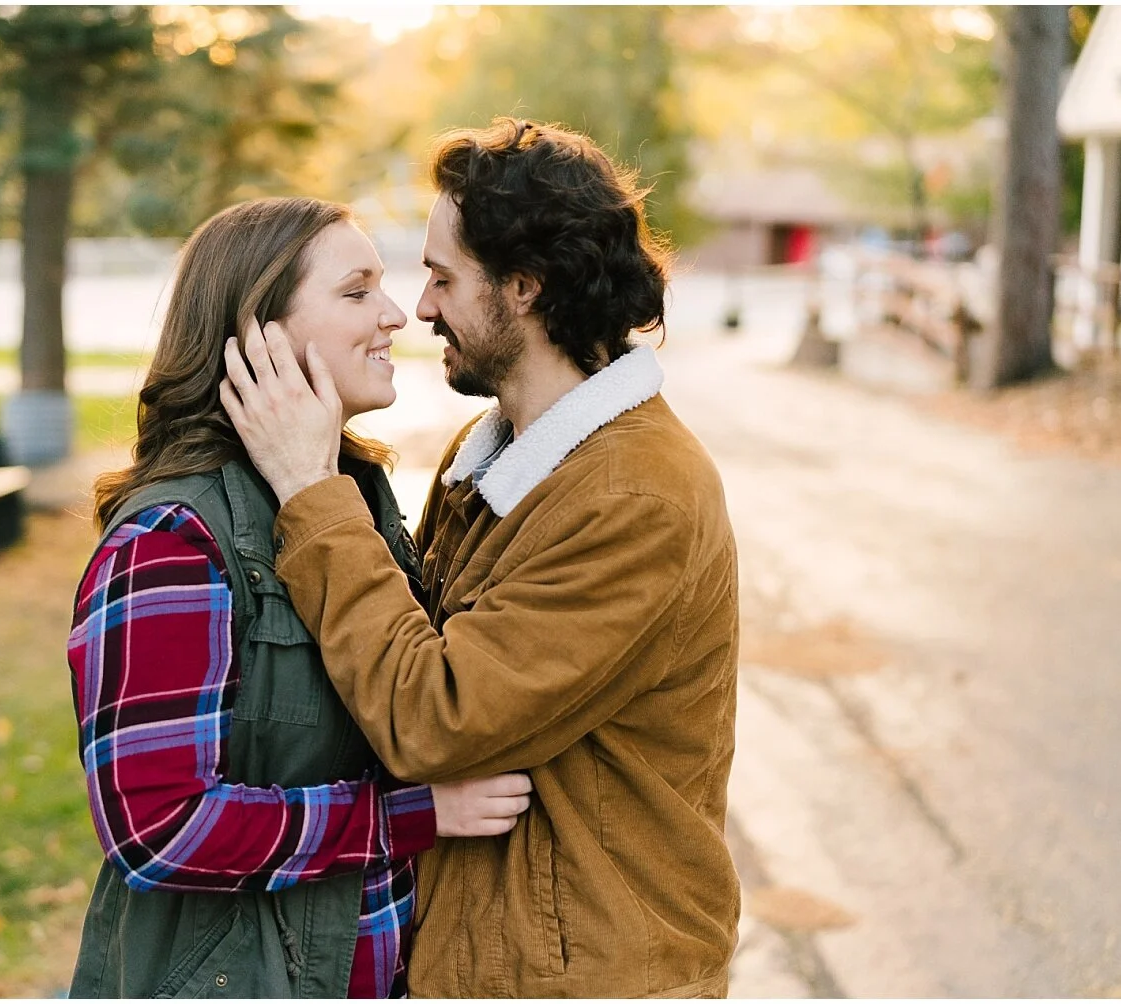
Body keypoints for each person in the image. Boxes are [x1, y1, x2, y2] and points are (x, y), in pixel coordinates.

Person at [221, 119, 742, 998]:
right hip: (496, 955)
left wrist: (312, 493)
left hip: (591, 975)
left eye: (441, 278)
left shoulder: (634, 497)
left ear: (524, 288)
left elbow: (435, 715)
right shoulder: (497, 451)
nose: (420, 308)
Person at [66, 196, 533, 999]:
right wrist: (412, 814)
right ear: (258, 335)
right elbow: (155, 825)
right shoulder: (173, 541)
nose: (395, 315)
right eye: (355, 293)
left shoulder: (350, 500)